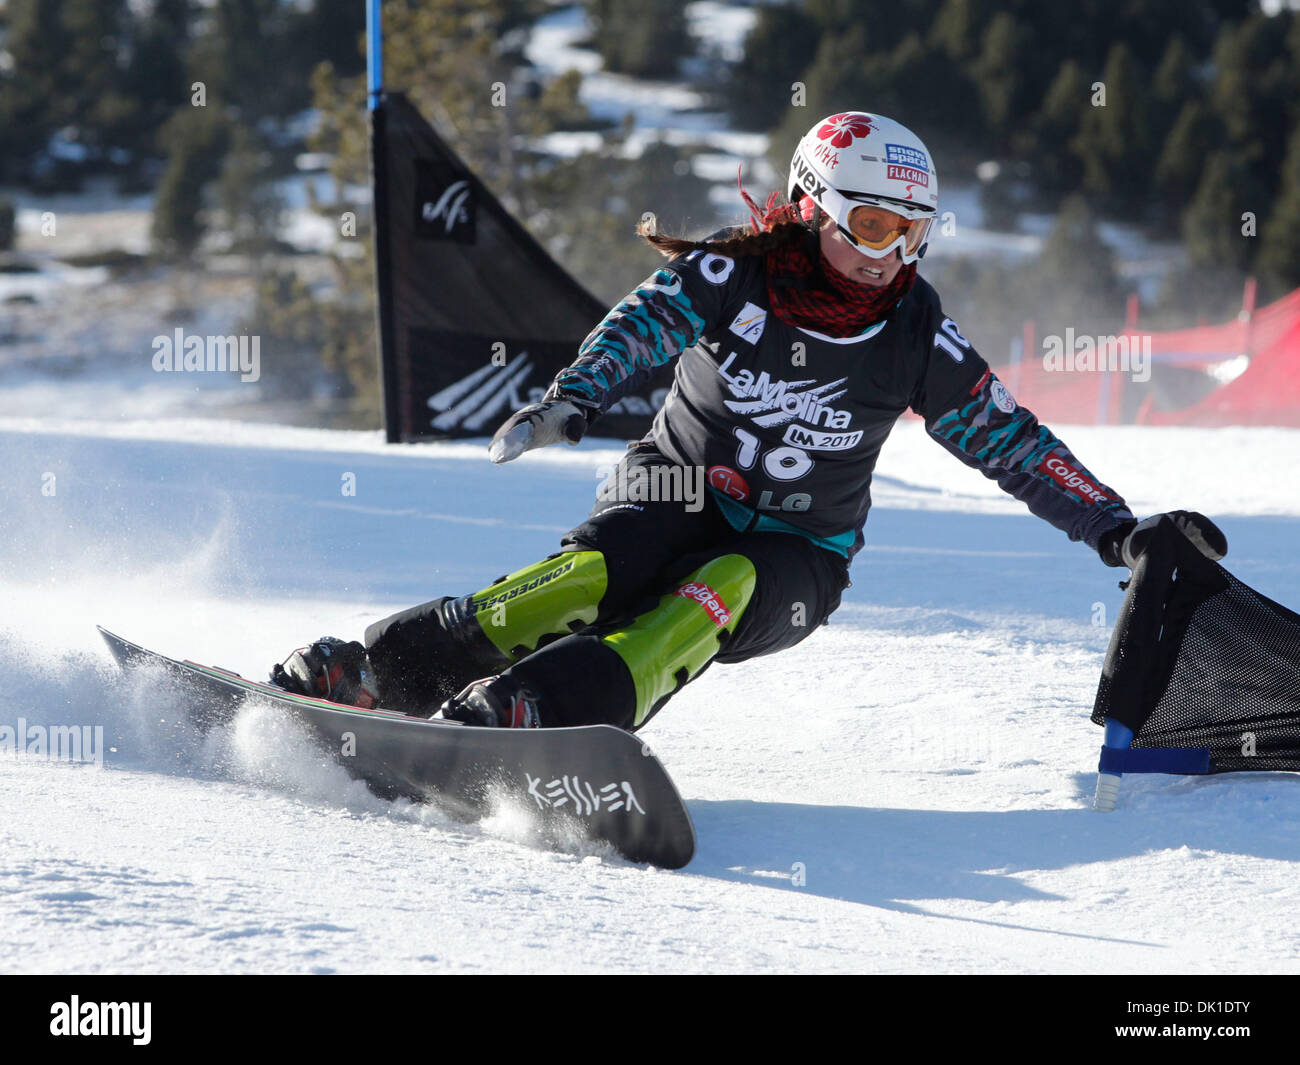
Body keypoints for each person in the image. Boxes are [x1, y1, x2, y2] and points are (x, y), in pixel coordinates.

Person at [272, 111, 1227, 730]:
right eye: (873, 227)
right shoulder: (736, 276)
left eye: (914, 233)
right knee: (588, 580)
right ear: (814, 206)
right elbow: (646, 321)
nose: (891, 256)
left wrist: (1115, 525)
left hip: (800, 550)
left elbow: (1010, 441)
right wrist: (574, 396)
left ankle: (537, 711)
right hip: (673, 485)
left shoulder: (913, 332)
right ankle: (379, 672)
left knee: (715, 588)